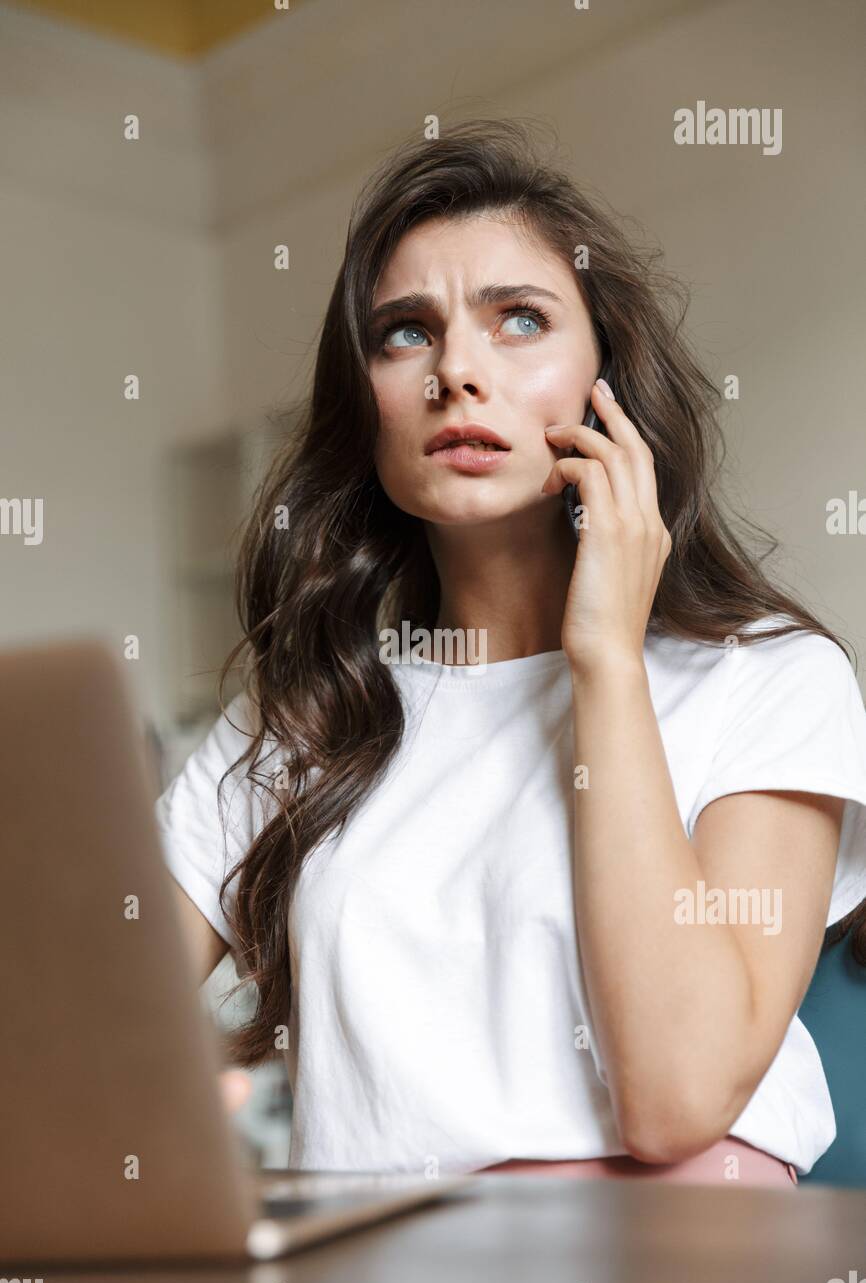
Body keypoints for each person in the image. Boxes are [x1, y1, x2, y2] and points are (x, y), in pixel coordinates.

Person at [156, 118, 866, 1190]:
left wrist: (606, 663)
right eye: (403, 332)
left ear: (607, 384)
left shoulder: (770, 679)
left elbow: (675, 1100)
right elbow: (80, 1042)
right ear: (369, 404)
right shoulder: (300, 714)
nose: (455, 370)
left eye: (517, 320)